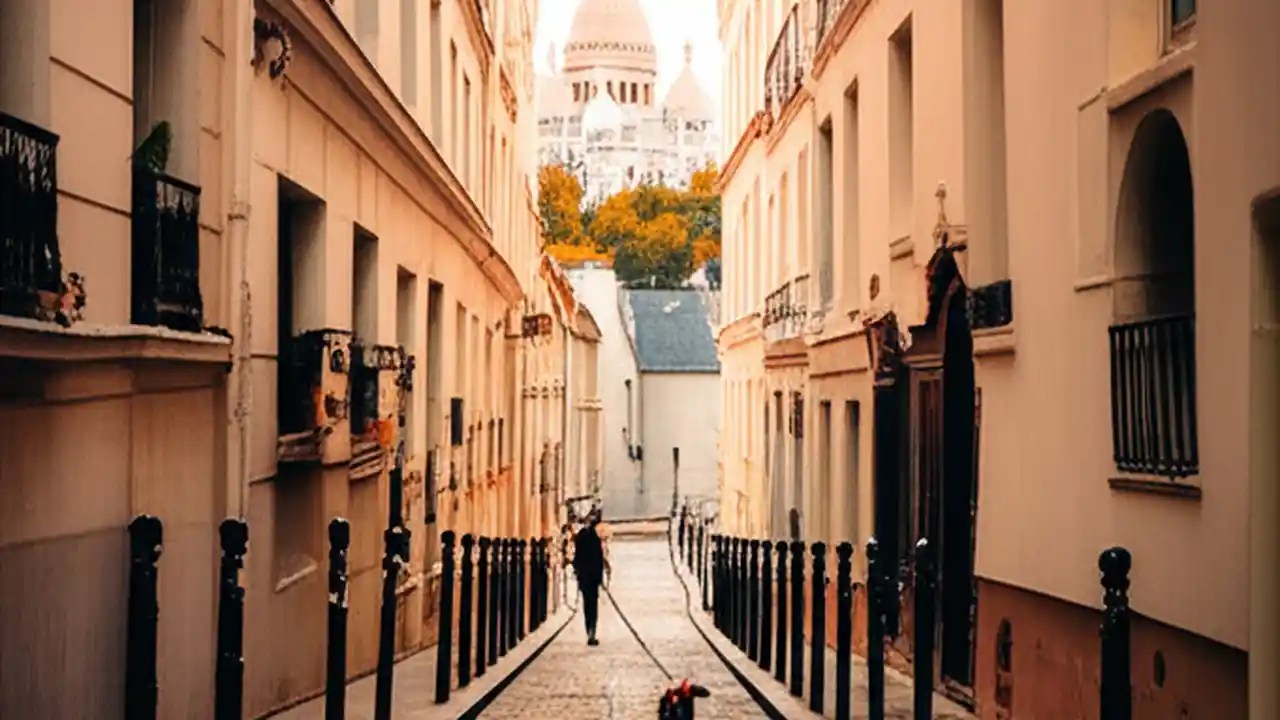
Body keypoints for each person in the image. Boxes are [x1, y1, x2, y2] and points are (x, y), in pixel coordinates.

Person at [572, 510, 609, 645]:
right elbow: (598, 560)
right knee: (592, 606)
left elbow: (577, 559)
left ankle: (590, 631)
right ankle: (592, 631)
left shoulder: (580, 538)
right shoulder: (594, 539)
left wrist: (577, 573)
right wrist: (600, 579)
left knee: (587, 605)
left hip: (585, 578)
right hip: (592, 579)